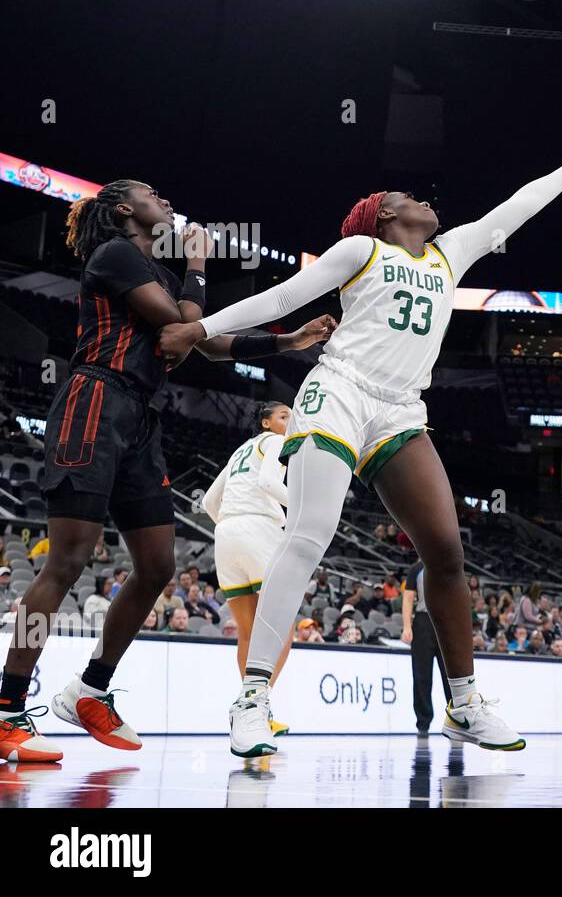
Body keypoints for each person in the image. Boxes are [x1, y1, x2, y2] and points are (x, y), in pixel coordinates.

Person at [161, 124, 562, 757]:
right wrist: (201, 329)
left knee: (447, 550)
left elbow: (512, 208)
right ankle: (253, 698)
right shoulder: (360, 251)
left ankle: (463, 701)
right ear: (386, 215)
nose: (426, 200)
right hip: (340, 391)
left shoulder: (448, 254)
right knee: (309, 534)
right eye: (409, 195)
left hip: (402, 408)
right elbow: (282, 297)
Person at [0, 180, 332, 765]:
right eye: (153, 194)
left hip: (141, 419)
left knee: (157, 565)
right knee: (68, 560)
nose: (167, 200)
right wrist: (200, 265)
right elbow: (182, 329)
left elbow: (206, 343)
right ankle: (5, 708)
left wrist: (289, 341)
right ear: (126, 208)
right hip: (94, 401)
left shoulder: (161, 276)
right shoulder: (117, 255)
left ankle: (90, 689)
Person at [202, 401, 298, 736]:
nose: (290, 420)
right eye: (284, 416)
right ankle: (255, 704)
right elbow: (270, 484)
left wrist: (233, 523)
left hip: (226, 534)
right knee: (281, 628)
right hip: (259, 531)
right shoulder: (275, 443)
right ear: (266, 423)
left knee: (247, 632)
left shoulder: (239, 452)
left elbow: (207, 503)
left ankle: (252, 708)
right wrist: (304, 506)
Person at [402, 560, 451, 738]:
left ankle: (456, 721)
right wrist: (407, 626)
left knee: (450, 676)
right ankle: (423, 723)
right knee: (422, 675)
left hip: (445, 621)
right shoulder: (416, 569)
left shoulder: (446, 565)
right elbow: (408, 598)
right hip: (423, 622)